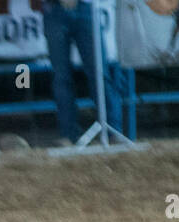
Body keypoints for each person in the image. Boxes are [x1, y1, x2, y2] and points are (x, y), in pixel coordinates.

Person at [42, 0, 123, 144]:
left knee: (99, 74)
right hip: (54, 8)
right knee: (61, 77)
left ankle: (112, 131)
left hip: (86, 7)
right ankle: (68, 134)